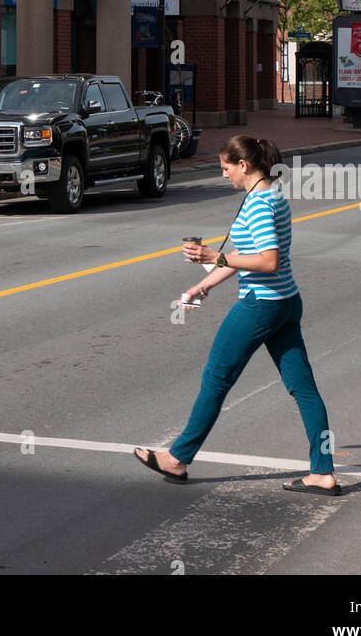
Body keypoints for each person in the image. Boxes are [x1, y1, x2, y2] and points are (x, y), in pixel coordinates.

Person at [134, 134, 341, 495]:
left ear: (243, 165)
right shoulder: (270, 194)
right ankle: (323, 472)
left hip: (261, 304)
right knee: (304, 389)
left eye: (226, 169)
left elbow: (267, 261)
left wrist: (216, 257)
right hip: (285, 301)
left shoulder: (259, 204)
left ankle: (178, 458)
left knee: (216, 378)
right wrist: (207, 284)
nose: (225, 175)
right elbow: (250, 254)